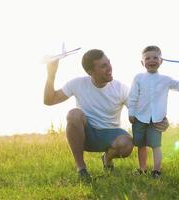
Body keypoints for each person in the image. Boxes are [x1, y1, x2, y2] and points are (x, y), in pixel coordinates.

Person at [44, 49, 134, 181]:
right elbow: (49, 100)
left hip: (111, 133)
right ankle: (81, 169)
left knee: (127, 144)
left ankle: (107, 159)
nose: (109, 67)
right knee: (73, 114)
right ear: (90, 72)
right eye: (103, 66)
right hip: (87, 135)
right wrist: (51, 73)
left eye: (108, 62)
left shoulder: (121, 88)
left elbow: (138, 112)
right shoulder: (78, 83)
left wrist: (161, 118)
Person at [127, 45, 179, 178]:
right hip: (140, 118)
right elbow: (133, 96)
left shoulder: (165, 80)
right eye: (148, 58)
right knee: (141, 145)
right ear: (142, 62)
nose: (152, 60)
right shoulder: (138, 78)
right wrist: (131, 113)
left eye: (155, 58)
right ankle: (142, 169)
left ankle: (156, 171)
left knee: (156, 145)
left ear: (161, 61)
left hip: (157, 119)